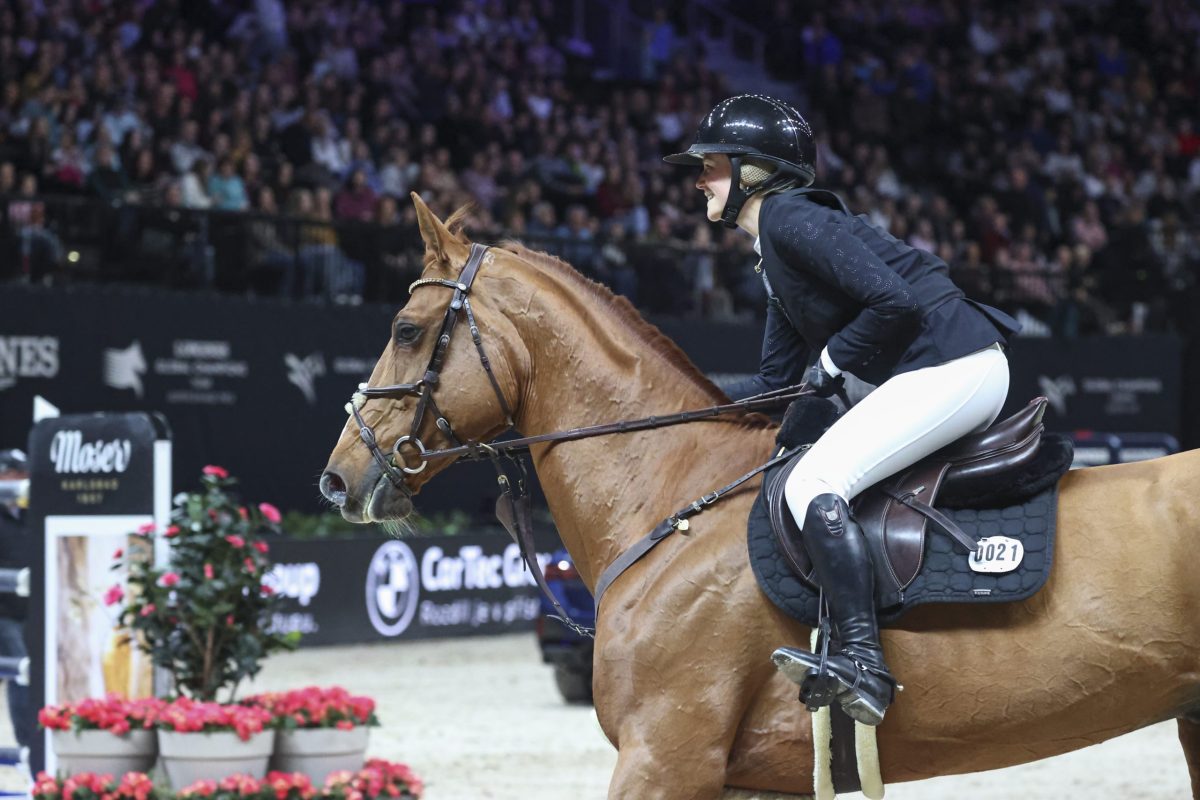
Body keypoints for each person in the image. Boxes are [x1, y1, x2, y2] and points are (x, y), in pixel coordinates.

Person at [665, 95, 1020, 725]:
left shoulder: (789, 219)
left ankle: (864, 663)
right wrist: (690, 408)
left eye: (711, 166)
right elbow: (777, 384)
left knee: (814, 483)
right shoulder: (772, 247)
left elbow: (895, 303)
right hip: (933, 369)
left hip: (954, 364)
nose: (698, 180)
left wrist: (828, 364)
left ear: (753, 172)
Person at [0, 449, 31, 751]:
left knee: (29, 670)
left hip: (31, 608)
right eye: (17, 474)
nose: (23, 480)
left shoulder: (30, 512)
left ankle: (31, 742)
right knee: (21, 670)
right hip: (4, 611)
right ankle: (26, 744)